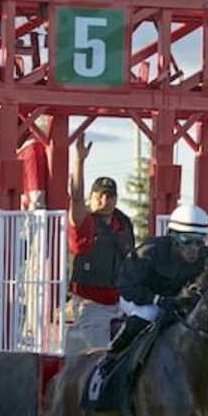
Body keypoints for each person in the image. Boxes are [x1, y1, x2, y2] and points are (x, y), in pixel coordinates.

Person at [110, 202, 208, 354]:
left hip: (174, 301)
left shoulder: (205, 257)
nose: (194, 249)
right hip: (137, 298)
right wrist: (157, 300)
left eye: (199, 242)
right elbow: (126, 286)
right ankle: (113, 357)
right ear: (173, 237)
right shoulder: (149, 251)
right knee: (148, 314)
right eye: (187, 241)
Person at [67, 138, 135, 353]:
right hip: (90, 305)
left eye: (111, 196)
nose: (106, 200)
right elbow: (76, 197)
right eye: (101, 195)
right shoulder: (84, 222)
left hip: (122, 304)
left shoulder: (123, 224)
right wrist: (79, 161)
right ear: (92, 197)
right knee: (98, 358)